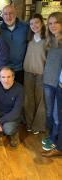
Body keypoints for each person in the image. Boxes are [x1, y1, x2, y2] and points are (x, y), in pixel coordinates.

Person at [42, 12, 62, 153]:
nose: (53, 26)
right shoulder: (49, 40)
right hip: (48, 81)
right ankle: (51, 135)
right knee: (49, 112)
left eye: (56, 22)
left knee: (56, 115)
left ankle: (55, 140)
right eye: (50, 23)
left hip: (59, 84)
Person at [23, 13, 46, 134]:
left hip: (41, 74)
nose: (34, 25)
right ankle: (29, 123)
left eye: (36, 22)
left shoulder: (47, 39)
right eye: (31, 23)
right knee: (28, 100)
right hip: (28, 73)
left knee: (40, 101)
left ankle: (38, 125)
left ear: (42, 23)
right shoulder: (29, 39)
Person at [0, 4, 29, 84]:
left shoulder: (25, 27)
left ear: (16, 14)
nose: (8, 16)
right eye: (5, 14)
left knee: (19, 92)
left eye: (11, 13)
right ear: (2, 16)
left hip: (20, 69)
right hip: (4, 69)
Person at [42, 70, 62, 157]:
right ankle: (58, 145)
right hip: (60, 85)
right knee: (58, 117)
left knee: (58, 118)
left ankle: (58, 148)